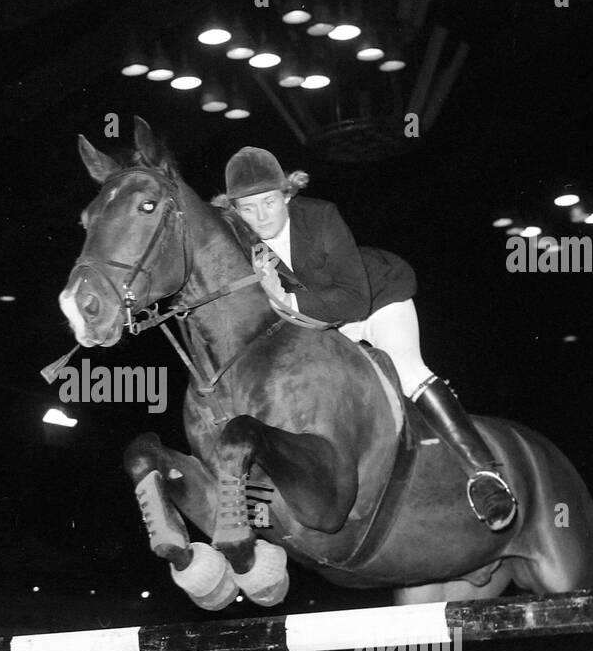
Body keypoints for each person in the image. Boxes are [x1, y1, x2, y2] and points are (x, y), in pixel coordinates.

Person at [218, 146, 517, 531]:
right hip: (317, 323)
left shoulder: (321, 216)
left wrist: (284, 297)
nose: (260, 218)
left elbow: (354, 301)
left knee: (408, 371)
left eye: (269, 202)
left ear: (287, 195)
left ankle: (484, 477)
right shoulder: (241, 241)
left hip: (374, 301)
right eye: (247, 209)